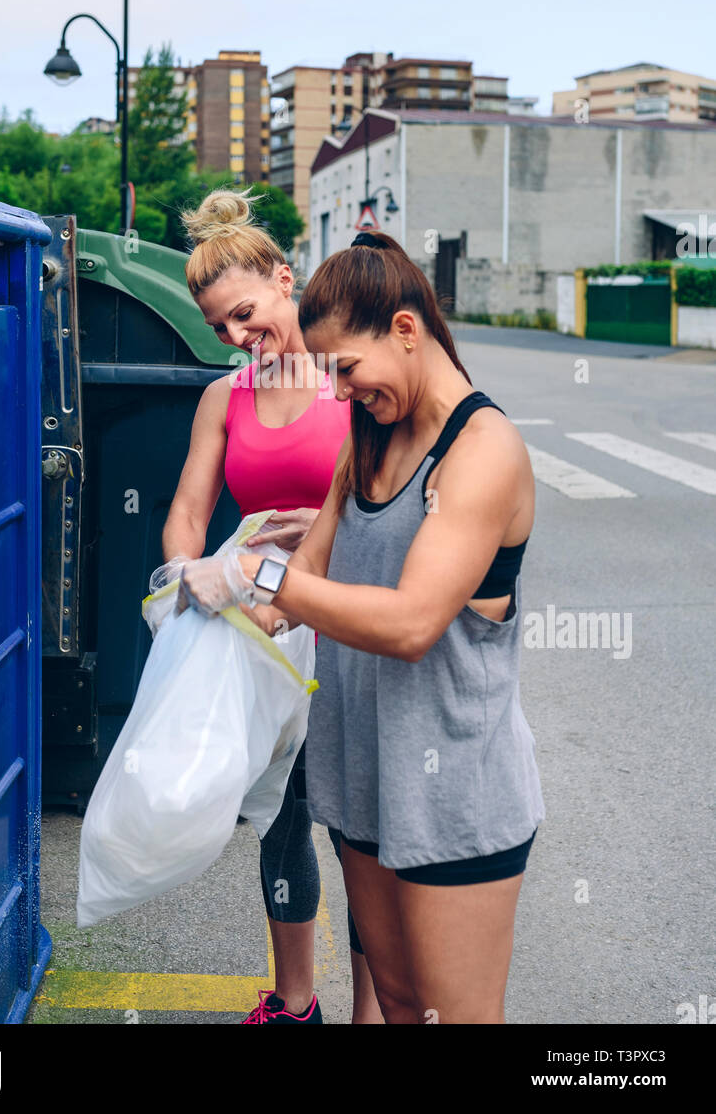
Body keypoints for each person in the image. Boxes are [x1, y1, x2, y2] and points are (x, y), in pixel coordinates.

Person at [179, 230, 546, 1025]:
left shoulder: (481, 450)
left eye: (345, 368)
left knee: (457, 1016)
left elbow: (413, 622)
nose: (336, 392)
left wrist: (259, 575)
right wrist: (201, 598)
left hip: (456, 794)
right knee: (403, 1006)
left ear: (406, 331)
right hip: (369, 783)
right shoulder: (369, 438)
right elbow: (298, 583)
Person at [161, 188, 382, 1025]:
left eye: (245, 313)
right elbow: (187, 511)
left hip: (351, 621)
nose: (236, 337)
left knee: (360, 829)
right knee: (282, 821)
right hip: (264, 632)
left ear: (286, 280)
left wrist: (320, 529)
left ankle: (373, 1008)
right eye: (219, 327)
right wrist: (187, 575)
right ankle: (296, 1005)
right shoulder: (226, 398)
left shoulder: (349, 381)